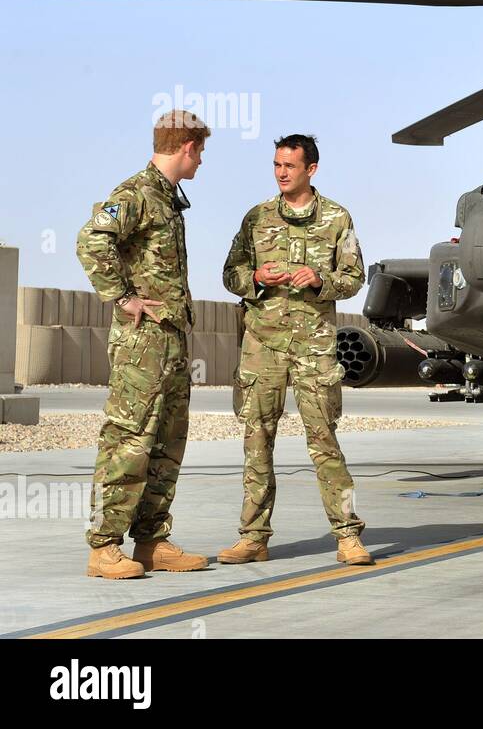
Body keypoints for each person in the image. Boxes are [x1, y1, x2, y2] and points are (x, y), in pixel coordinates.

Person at [218, 134, 371, 565]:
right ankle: (253, 538)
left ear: (311, 169)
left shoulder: (337, 218)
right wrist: (256, 279)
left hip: (314, 347)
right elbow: (231, 273)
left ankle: (347, 536)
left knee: (323, 440)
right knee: (256, 441)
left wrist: (321, 280)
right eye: (276, 165)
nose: (282, 173)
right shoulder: (257, 217)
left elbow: (355, 278)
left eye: (290, 166)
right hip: (261, 345)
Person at [77, 110, 211, 579]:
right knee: (129, 437)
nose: (200, 164)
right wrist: (123, 297)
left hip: (171, 342)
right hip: (142, 345)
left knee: (168, 442)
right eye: (201, 153)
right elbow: (92, 241)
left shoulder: (168, 198)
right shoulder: (135, 193)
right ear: (188, 147)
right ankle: (105, 546)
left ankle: (152, 540)